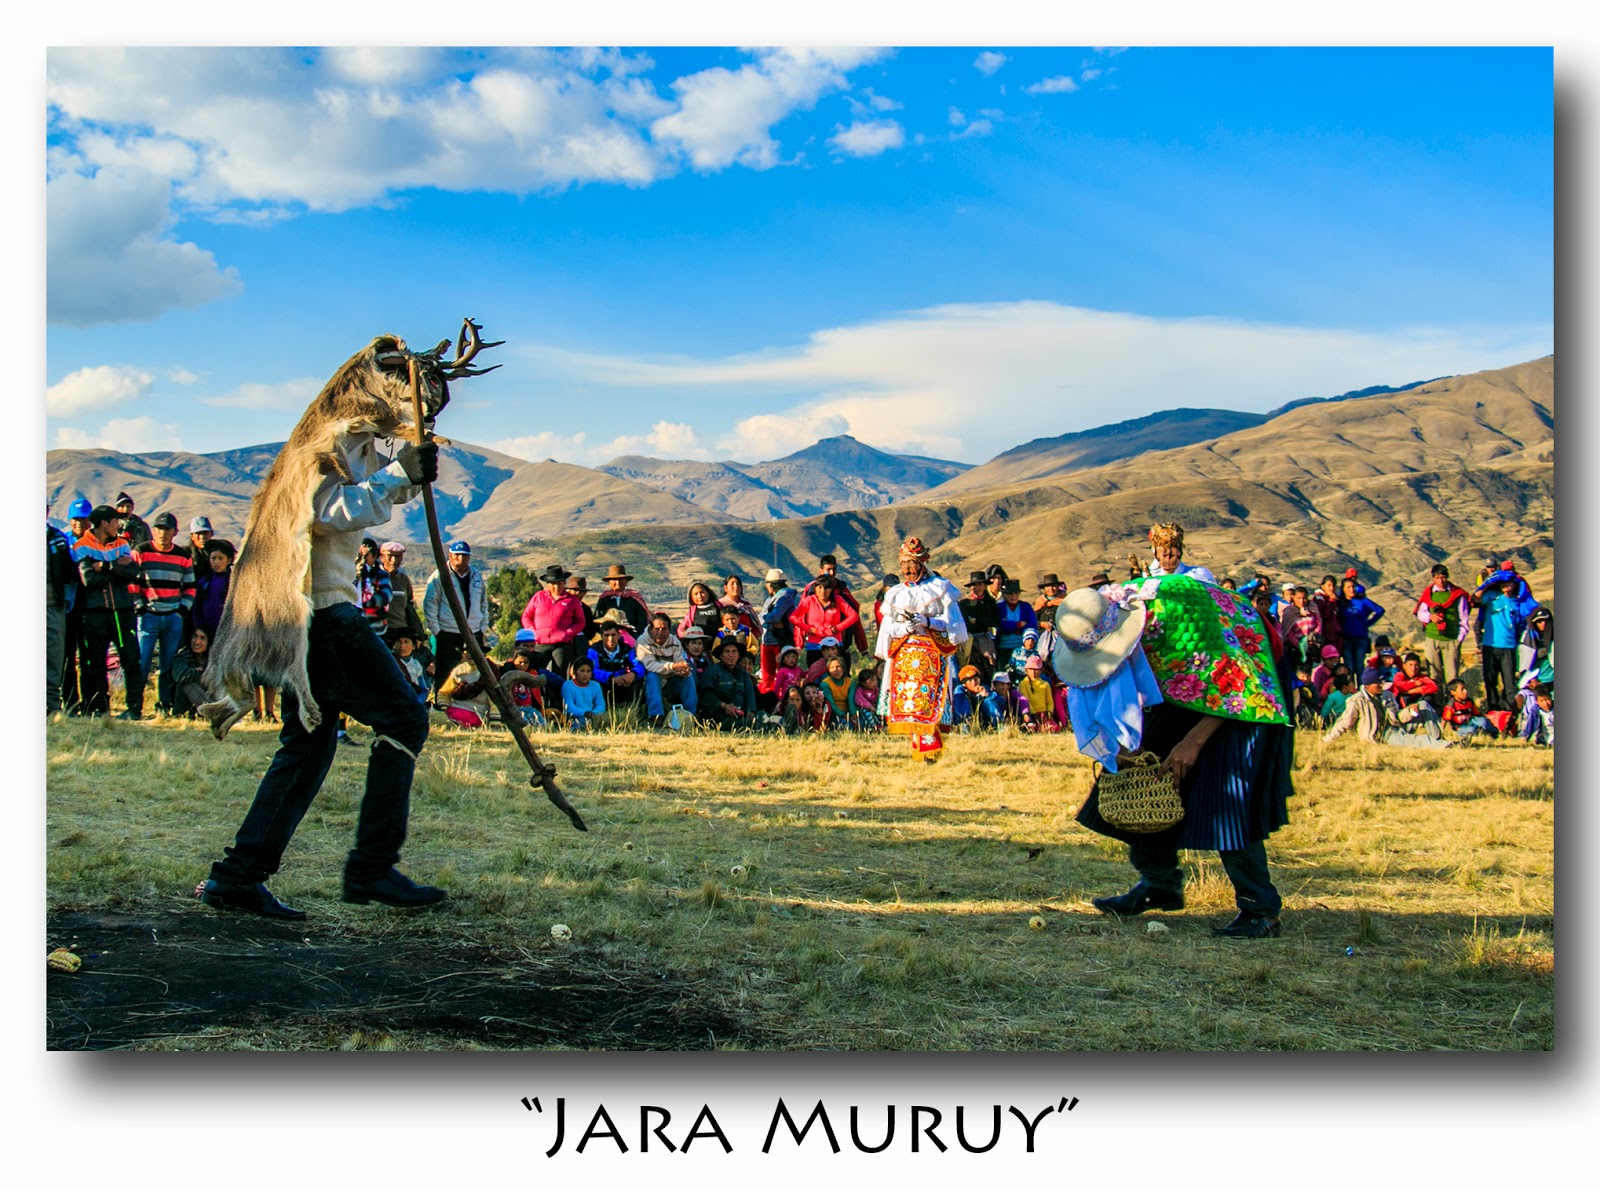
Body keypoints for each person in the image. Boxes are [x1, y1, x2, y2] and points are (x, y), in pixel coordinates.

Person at [198, 403, 444, 920]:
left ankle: (238, 875)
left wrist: (407, 471)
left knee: (306, 746)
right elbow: (325, 511)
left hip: (308, 616)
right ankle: (372, 867)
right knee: (405, 719)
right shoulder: (327, 445)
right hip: (325, 613)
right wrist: (401, 475)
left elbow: (365, 493)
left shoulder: (353, 443)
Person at [1066, 577, 1296, 938]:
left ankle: (1259, 907)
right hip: (1187, 680)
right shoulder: (1102, 615)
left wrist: (1193, 742)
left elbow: (1238, 685)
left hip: (1249, 680)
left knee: (1227, 793)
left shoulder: (1184, 618)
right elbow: (1125, 683)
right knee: (1142, 775)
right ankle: (1159, 884)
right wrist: (1124, 742)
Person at [875, 537, 969, 761]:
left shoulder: (940, 589)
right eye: (903, 564)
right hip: (905, 656)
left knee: (928, 701)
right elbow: (888, 628)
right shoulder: (896, 593)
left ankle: (930, 750)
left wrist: (928, 622)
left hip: (932, 652)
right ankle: (920, 749)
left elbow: (953, 625)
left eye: (911, 563)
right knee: (910, 700)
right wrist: (905, 628)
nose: (907, 569)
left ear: (921, 564)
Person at [74, 505, 146, 719]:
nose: (119, 525)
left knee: (131, 660)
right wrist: (116, 568)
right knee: (96, 663)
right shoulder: (81, 545)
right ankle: (100, 708)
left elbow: (132, 572)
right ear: (104, 523)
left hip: (123, 611)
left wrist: (104, 567)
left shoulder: (122, 543)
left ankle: (134, 708)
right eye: (115, 521)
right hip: (96, 613)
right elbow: (89, 579)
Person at [131, 511, 196, 715]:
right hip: (148, 615)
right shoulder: (141, 551)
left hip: (173, 616)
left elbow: (190, 587)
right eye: (159, 529)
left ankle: (164, 706)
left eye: (167, 529)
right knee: (141, 663)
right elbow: (132, 582)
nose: (163, 533)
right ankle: (135, 705)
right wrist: (139, 606)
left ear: (175, 532)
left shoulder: (183, 556)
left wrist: (182, 609)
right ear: (153, 530)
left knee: (167, 665)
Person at [1323, 667, 1452, 749]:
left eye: (1381, 682)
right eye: (1377, 683)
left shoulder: (1387, 695)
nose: (1381, 685)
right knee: (1414, 740)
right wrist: (1327, 740)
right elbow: (1345, 722)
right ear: (1367, 685)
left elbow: (1397, 717)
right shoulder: (1357, 700)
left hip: (1396, 726)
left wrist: (1410, 712)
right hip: (1381, 735)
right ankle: (1446, 746)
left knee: (1423, 705)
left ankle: (1438, 739)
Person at [423, 540, 487, 694]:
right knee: (446, 673)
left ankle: (472, 703)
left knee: (476, 671)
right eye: (457, 555)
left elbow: (483, 603)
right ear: (450, 555)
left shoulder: (476, 576)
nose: (461, 559)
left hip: (474, 631)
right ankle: (442, 704)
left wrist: (482, 627)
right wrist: (437, 631)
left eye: (464, 555)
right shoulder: (439, 576)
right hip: (448, 632)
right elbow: (430, 604)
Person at [1412, 564, 1471, 694]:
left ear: (1447, 577)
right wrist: (1430, 617)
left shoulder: (1457, 594)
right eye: (1437, 578)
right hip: (1432, 639)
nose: (1441, 581)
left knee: (1452, 677)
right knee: (1434, 675)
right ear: (1433, 578)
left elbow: (1464, 617)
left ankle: (1451, 703)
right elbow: (1421, 613)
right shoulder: (1429, 594)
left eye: (1443, 577)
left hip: (1451, 640)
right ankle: (1437, 703)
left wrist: (1458, 640)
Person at [636, 611, 699, 727]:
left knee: (688, 677)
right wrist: (673, 666)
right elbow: (650, 665)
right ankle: (656, 716)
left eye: (664, 629)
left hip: (670, 681)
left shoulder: (675, 642)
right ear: (651, 629)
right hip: (650, 684)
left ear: (669, 630)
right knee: (652, 676)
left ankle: (691, 716)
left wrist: (682, 670)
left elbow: (680, 661)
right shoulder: (642, 641)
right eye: (657, 629)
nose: (660, 632)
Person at [521, 564, 585, 679]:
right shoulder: (538, 597)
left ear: (564, 583)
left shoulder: (572, 600)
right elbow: (526, 616)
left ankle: (557, 692)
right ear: (548, 584)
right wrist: (532, 631)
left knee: (559, 676)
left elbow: (580, 622)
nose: (556, 587)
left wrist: (568, 633)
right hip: (540, 643)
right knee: (535, 673)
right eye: (553, 584)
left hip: (562, 645)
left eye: (559, 583)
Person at [1475, 574, 1523, 713]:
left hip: (1509, 646)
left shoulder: (1516, 601)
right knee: (1490, 680)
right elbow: (1475, 599)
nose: (1505, 585)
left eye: (1509, 583)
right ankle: (1493, 708)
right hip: (1490, 645)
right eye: (1503, 583)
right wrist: (1485, 584)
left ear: (1513, 584)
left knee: (1509, 681)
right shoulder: (1492, 596)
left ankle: (1511, 710)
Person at [47, 514, 80, 715]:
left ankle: (51, 706)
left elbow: (69, 574)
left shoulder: (57, 539)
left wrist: (66, 601)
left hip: (53, 606)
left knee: (54, 657)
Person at [792, 573, 861, 667]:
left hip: (834, 644)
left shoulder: (838, 600)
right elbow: (793, 617)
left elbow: (854, 615)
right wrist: (807, 629)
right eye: (820, 587)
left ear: (831, 589)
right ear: (815, 588)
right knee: (815, 672)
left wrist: (839, 628)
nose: (823, 591)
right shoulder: (809, 601)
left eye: (826, 588)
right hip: (815, 644)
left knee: (835, 671)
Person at [698, 636, 759, 729]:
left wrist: (751, 712)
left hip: (740, 713)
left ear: (738, 655)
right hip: (718, 715)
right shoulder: (712, 671)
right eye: (727, 651)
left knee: (760, 718)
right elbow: (706, 695)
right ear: (721, 655)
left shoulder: (743, 674)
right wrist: (724, 706)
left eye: (734, 651)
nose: (731, 655)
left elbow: (750, 696)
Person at [758, 568, 801, 693]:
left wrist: (765, 620)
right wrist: (768, 621)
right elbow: (762, 618)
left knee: (781, 675)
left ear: (770, 585)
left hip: (779, 641)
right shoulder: (771, 599)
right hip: (768, 641)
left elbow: (774, 617)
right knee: (767, 675)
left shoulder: (784, 597)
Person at [587, 619, 644, 712]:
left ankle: (636, 711)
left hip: (623, 684)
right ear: (601, 637)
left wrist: (633, 674)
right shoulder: (594, 650)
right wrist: (611, 678)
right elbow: (592, 669)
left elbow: (639, 665)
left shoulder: (627, 649)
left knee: (641, 680)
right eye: (606, 635)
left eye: (613, 635)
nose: (610, 639)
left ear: (619, 635)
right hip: (603, 685)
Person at [1337, 575, 1385, 676]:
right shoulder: (1340, 603)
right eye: (1348, 587)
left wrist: (1368, 623)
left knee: (1359, 667)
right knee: (1349, 667)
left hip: (1361, 639)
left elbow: (1380, 610)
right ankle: (1349, 686)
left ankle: (1361, 685)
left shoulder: (1363, 601)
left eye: (1353, 587)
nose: (1351, 589)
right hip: (1345, 639)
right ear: (1343, 589)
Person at [956, 569, 999, 677]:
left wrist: (978, 620)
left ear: (985, 586)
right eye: (974, 585)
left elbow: (995, 621)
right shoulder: (964, 603)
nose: (976, 587)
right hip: (969, 639)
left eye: (980, 584)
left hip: (984, 637)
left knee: (990, 662)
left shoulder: (990, 602)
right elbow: (964, 623)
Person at [192, 539, 235, 640]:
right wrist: (199, 626)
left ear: (229, 560)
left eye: (220, 558)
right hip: (206, 631)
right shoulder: (204, 582)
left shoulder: (234, 582)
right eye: (213, 558)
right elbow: (196, 606)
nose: (216, 562)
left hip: (228, 631)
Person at [1146, 522, 1217, 584]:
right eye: (1163, 552)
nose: (1168, 556)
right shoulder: (1149, 578)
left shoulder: (1199, 575)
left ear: (1179, 552)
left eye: (1172, 548)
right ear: (1155, 553)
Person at [594, 563, 651, 637]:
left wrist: (635, 638)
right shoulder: (604, 599)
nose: (617, 582)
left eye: (621, 579)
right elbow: (598, 618)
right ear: (609, 582)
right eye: (614, 579)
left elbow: (642, 622)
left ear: (626, 581)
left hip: (631, 637)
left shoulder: (635, 599)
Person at [170, 625, 214, 717]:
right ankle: (212, 712)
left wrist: (193, 672)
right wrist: (202, 673)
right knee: (187, 683)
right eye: (195, 636)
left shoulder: (213, 658)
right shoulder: (183, 655)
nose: (197, 641)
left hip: (208, 698)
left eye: (202, 638)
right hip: (185, 710)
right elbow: (180, 675)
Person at [354, 537, 392, 639]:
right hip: (354, 629)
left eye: (365, 556)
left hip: (376, 629)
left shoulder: (381, 575)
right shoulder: (349, 575)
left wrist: (364, 602)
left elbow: (386, 596)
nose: (362, 559)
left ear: (374, 557)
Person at [1440, 679, 1497, 743]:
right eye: (1462, 689)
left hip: (1471, 722)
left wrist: (1487, 719)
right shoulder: (1451, 705)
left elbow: (1477, 714)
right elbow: (1444, 720)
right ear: (1453, 692)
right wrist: (1440, 733)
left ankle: (1495, 733)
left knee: (1482, 721)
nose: (1466, 691)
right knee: (1471, 730)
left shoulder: (1469, 701)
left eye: (1465, 688)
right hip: (1460, 727)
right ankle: (1479, 733)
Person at [561, 657, 608, 730]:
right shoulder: (567, 685)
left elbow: (601, 705)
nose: (585, 674)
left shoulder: (595, 685)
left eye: (588, 671)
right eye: (582, 671)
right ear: (575, 672)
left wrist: (593, 714)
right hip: (574, 718)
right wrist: (585, 713)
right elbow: (569, 707)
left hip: (593, 717)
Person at [1517, 607, 1554, 691]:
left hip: (1551, 676)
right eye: (1539, 622)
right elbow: (1523, 661)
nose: (1543, 624)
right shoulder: (1527, 638)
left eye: (1545, 621)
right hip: (1533, 678)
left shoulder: (1553, 635)